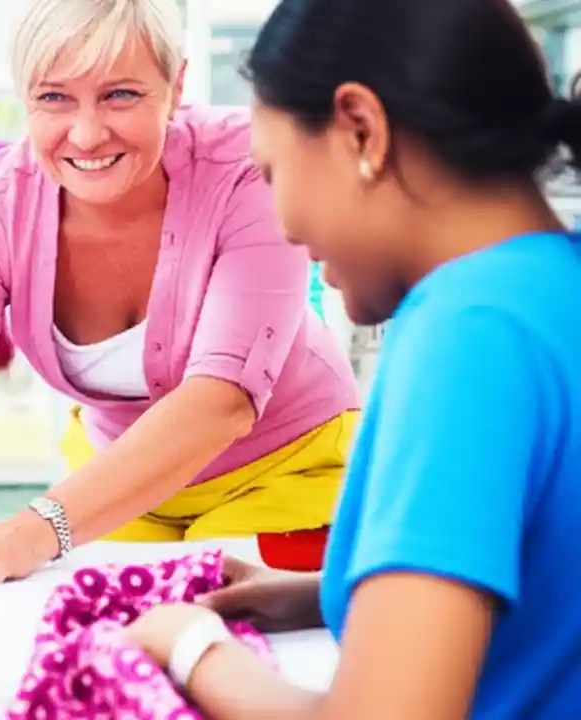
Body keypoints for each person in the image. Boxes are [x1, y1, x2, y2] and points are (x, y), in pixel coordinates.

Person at [125, 0, 581, 716]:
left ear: (361, 130)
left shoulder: (467, 335)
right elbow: (550, 582)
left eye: (274, 174)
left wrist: (189, 648)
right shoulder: (549, 290)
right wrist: (331, 592)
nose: (282, 224)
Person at [0, 0, 360, 594]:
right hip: (126, 490)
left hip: (290, 467)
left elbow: (222, 399)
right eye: (54, 98)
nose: (88, 132)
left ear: (174, 85)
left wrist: (31, 530)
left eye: (121, 94)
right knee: (110, 639)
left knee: (241, 630)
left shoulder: (247, 168)